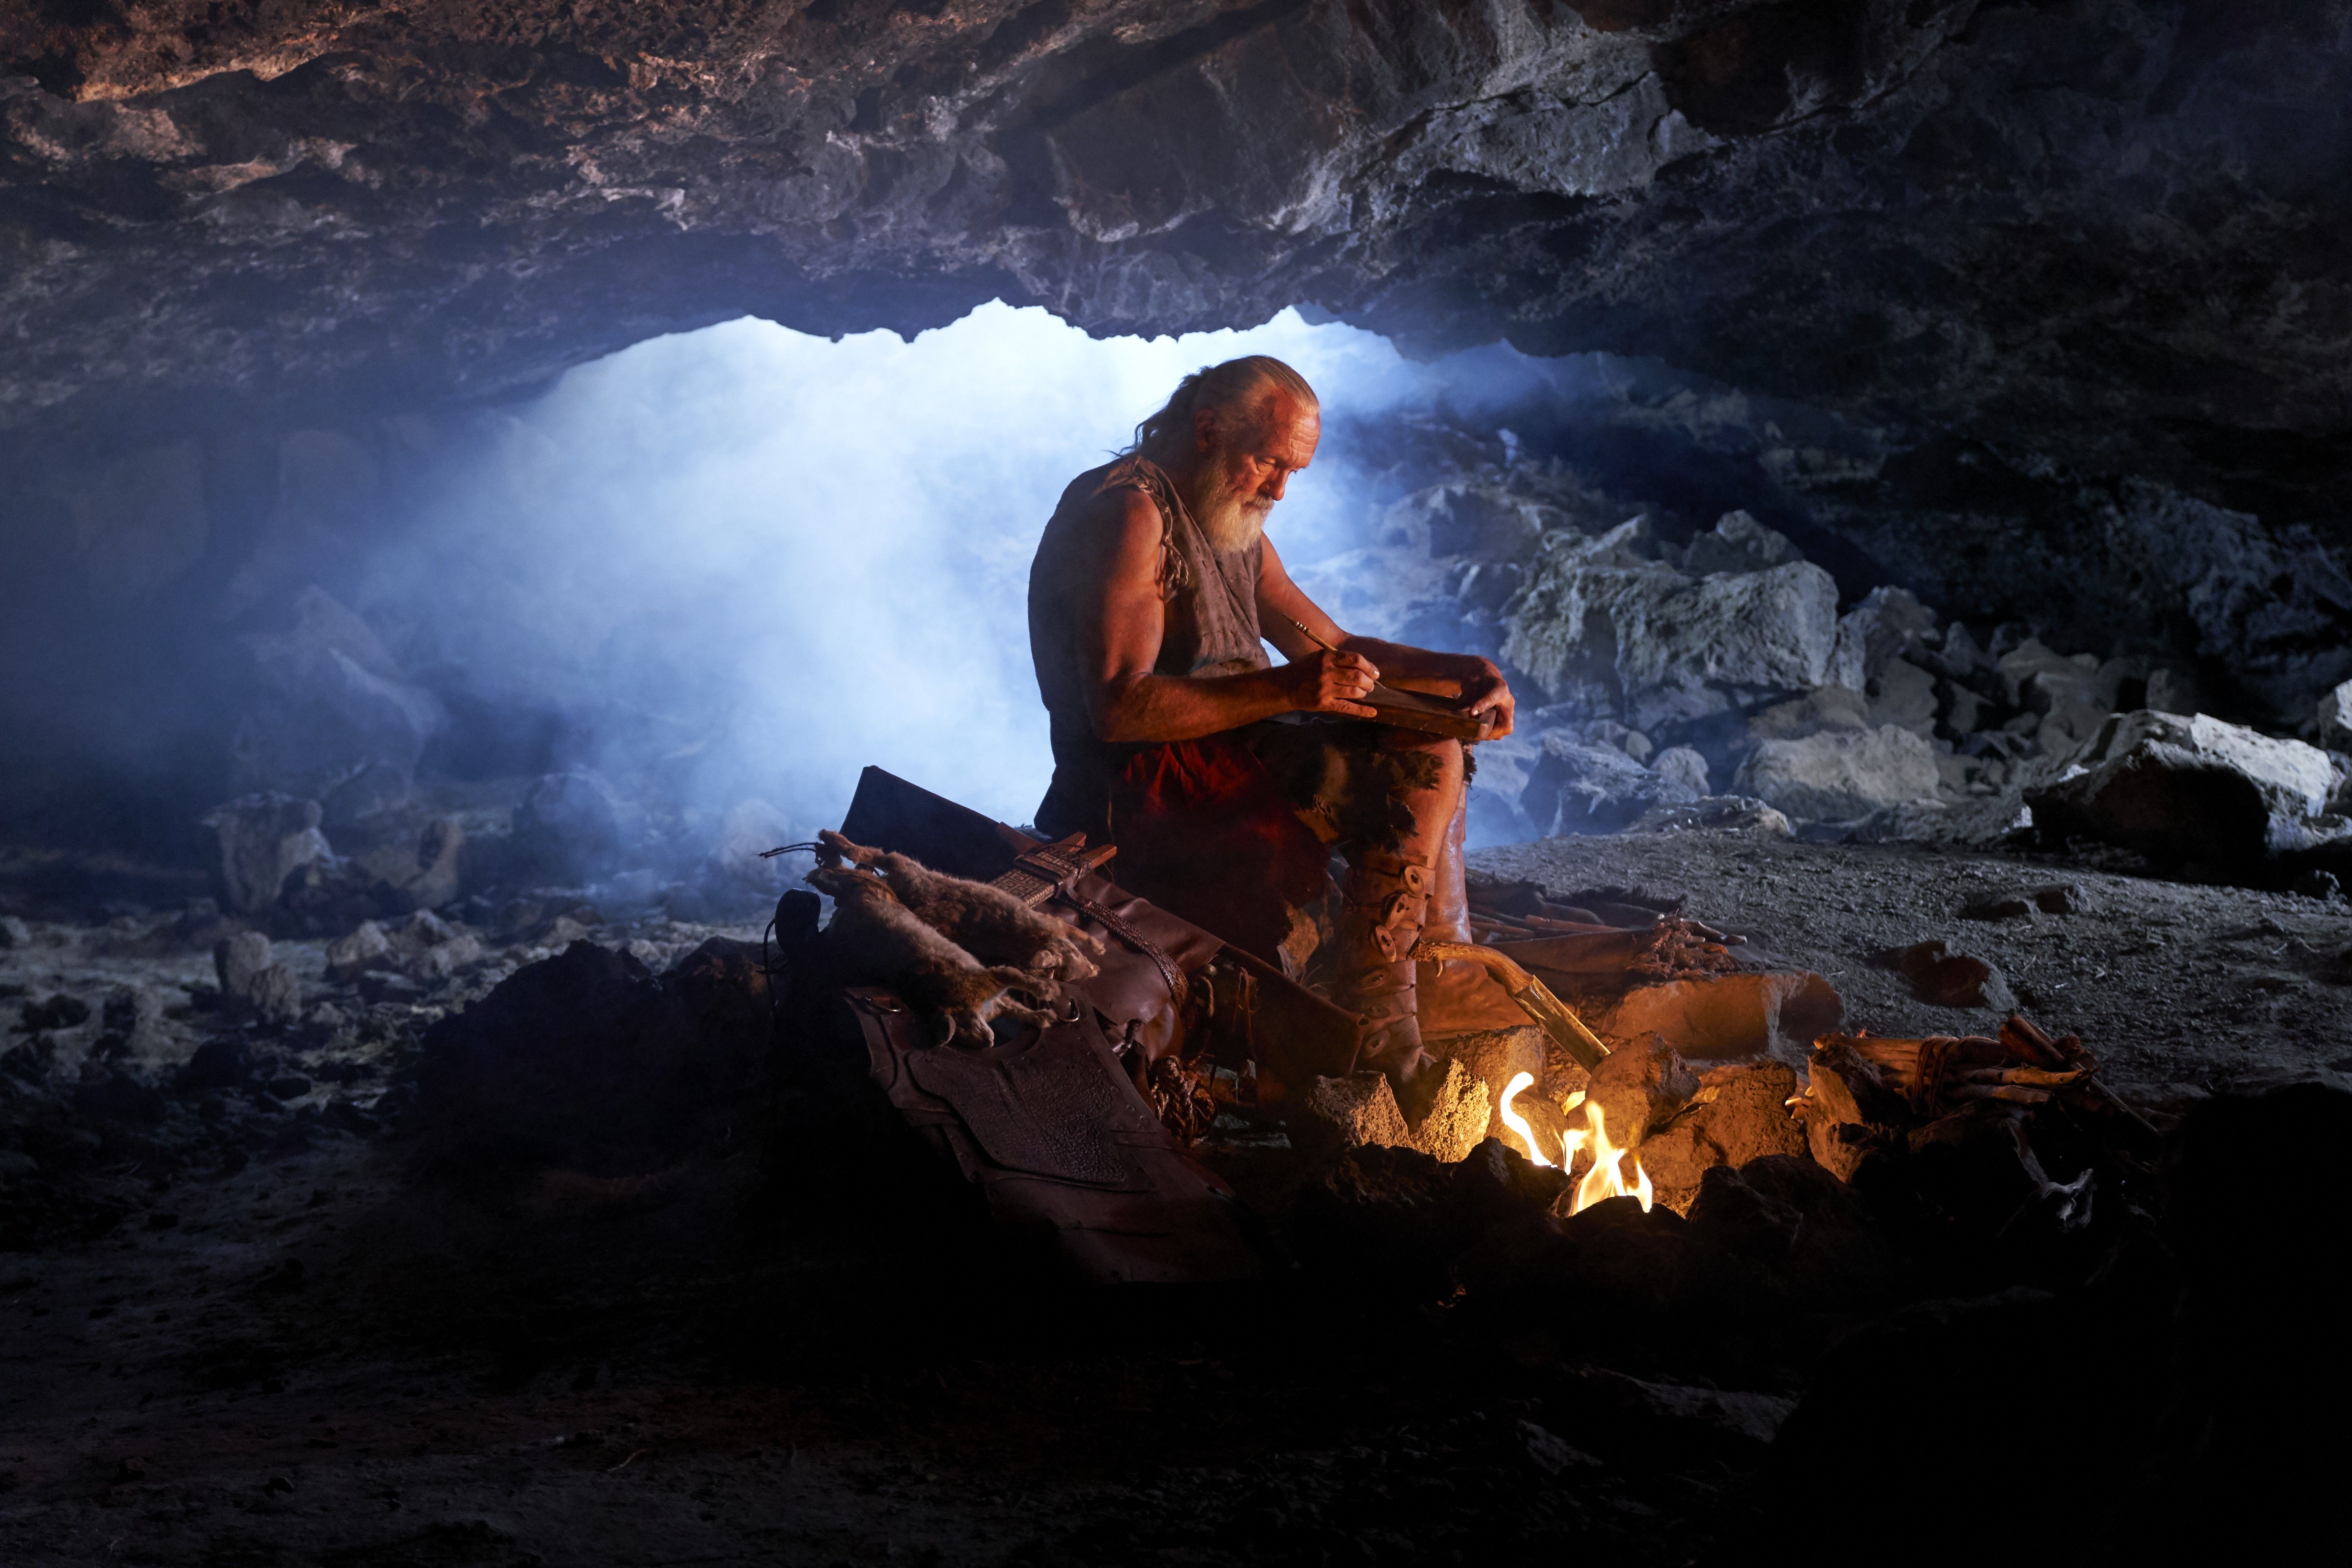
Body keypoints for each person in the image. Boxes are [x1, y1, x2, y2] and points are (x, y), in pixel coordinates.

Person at [1026, 354, 1518, 1109]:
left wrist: (1462, 671)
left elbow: (1328, 646)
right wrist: (1291, 691)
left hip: (1228, 748)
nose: (1279, 489)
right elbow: (1119, 711)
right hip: (1142, 786)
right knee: (1415, 762)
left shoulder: (1226, 518)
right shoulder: (1131, 515)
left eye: (1294, 471)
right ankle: (1384, 1014)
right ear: (1206, 430)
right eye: (1268, 462)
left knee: (1435, 733)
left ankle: (1437, 968)